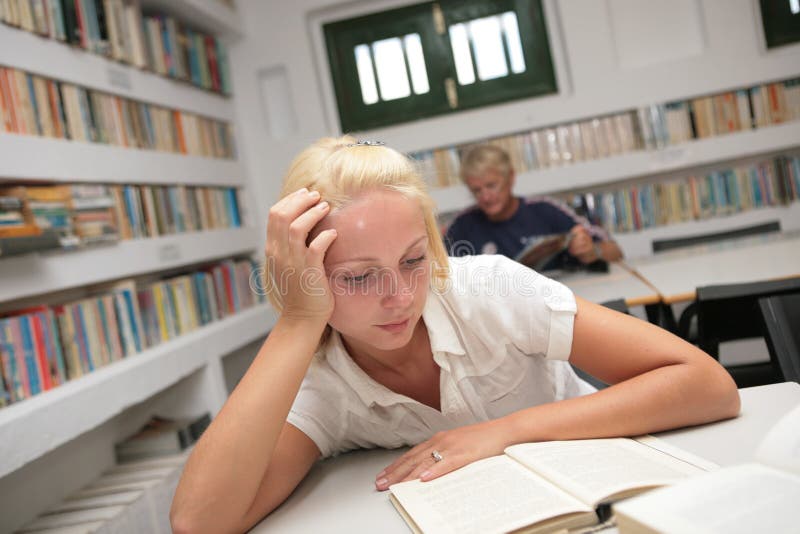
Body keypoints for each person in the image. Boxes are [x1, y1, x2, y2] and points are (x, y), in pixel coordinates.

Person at [169, 136, 740, 534]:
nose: (399, 297)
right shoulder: (321, 379)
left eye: (413, 260)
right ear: (306, 278)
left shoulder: (488, 289)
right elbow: (201, 520)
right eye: (359, 276)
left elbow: (709, 384)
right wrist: (297, 321)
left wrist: (506, 431)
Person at [445, 144, 623, 270]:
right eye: (476, 190)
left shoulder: (545, 210)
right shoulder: (461, 226)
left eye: (491, 186)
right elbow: (436, 274)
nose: (485, 196)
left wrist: (594, 250)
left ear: (511, 178)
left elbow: (615, 251)